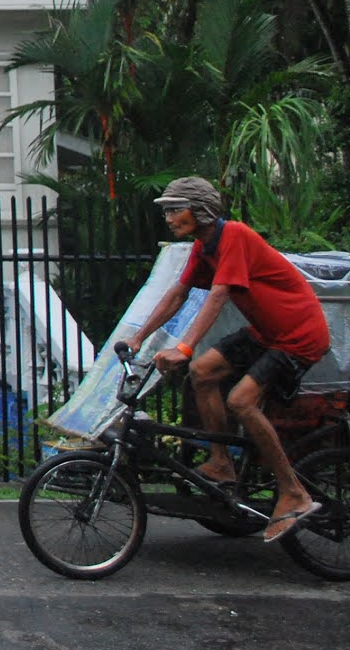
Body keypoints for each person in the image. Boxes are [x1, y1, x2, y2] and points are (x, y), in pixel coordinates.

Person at [125, 175, 331, 542]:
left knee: (240, 400)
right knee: (202, 372)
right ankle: (221, 462)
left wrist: (184, 347)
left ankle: (294, 493)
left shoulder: (233, 235)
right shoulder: (203, 247)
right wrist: (138, 337)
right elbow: (178, 294)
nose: (169, 217)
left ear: (200, 210)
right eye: (167, 211)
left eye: (176, 209)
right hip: (266, 333)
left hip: (298, 335)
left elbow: (218, 295)